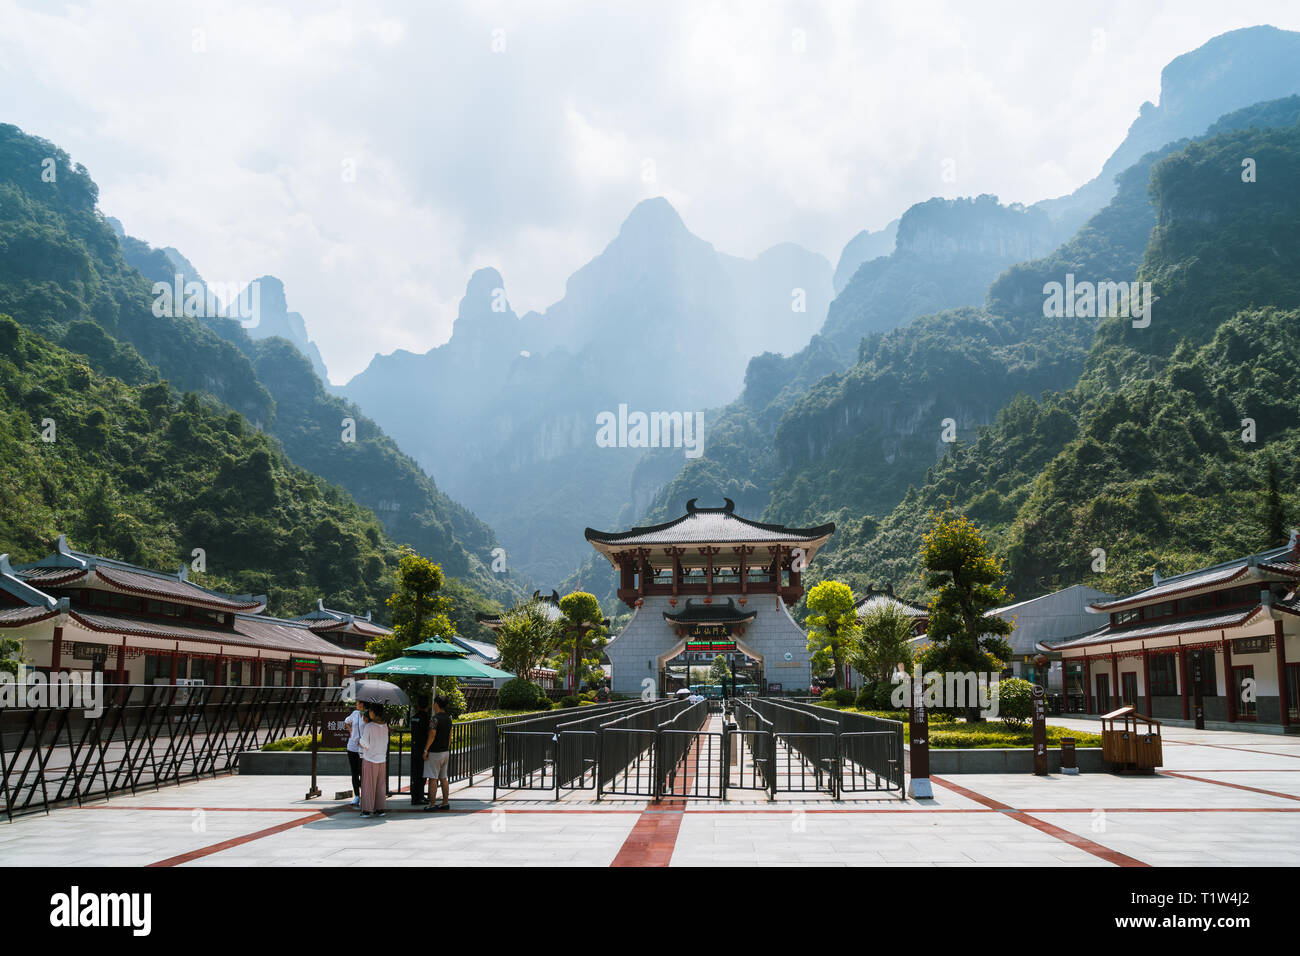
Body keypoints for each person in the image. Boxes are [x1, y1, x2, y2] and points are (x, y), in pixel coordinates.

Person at [421, 694, 453, 812]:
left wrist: (425, 750)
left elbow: (432, 735)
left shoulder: (434, 719)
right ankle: (445, 802)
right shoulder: (448, 718)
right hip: (445, 751)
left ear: (436, 704)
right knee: (443, 778)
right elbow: (450, 736)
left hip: (435, 752)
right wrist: (447, 747)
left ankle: (432, 804)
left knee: (433, 778)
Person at [357, 702, 388, 818]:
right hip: (381, 758)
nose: (369, 713)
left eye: (370, 711)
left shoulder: (369, 726)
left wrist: (359, 741)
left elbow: (365, 743)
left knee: (368, 785)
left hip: (370, 758)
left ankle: (367, 809)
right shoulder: (385, 725)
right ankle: (380, 808)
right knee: (380, 785)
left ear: (374, 713)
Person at [409, 695, 431, 806]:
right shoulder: (426, 718)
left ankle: (415, 796)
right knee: (422, 774)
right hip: (422, 749)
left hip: (414, 748)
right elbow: (428, 733)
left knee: (415, 773)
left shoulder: (414, 718)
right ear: (427, 706)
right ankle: (419, 797)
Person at [344, 699, 366, 806]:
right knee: (354, 773)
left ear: (362, 704)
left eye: (358, 703)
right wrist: (351, 732)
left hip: (363, 749)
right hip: (352, 746)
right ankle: (357, 795)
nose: (356, 705)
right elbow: (346, 722)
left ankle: (365, 796)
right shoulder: (355, 713)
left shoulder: (368, 715)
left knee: (363, 773)